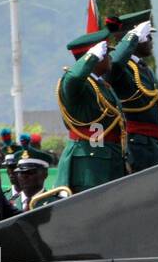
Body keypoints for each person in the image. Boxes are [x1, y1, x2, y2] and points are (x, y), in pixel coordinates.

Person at [56, 28, 134, 193]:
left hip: (109, 158)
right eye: (106, 54)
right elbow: (73, 78)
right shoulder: (75, 85)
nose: (110, 59)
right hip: (89, 165)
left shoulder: (101, 84)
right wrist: (90, 57)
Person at [105, 10, 158, 171]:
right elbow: (114, 65)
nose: (151, 41)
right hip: (138, 146)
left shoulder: (143, 68)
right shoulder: (122, 68)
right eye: (148, 36)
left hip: (157, 143)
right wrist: (133, 36)